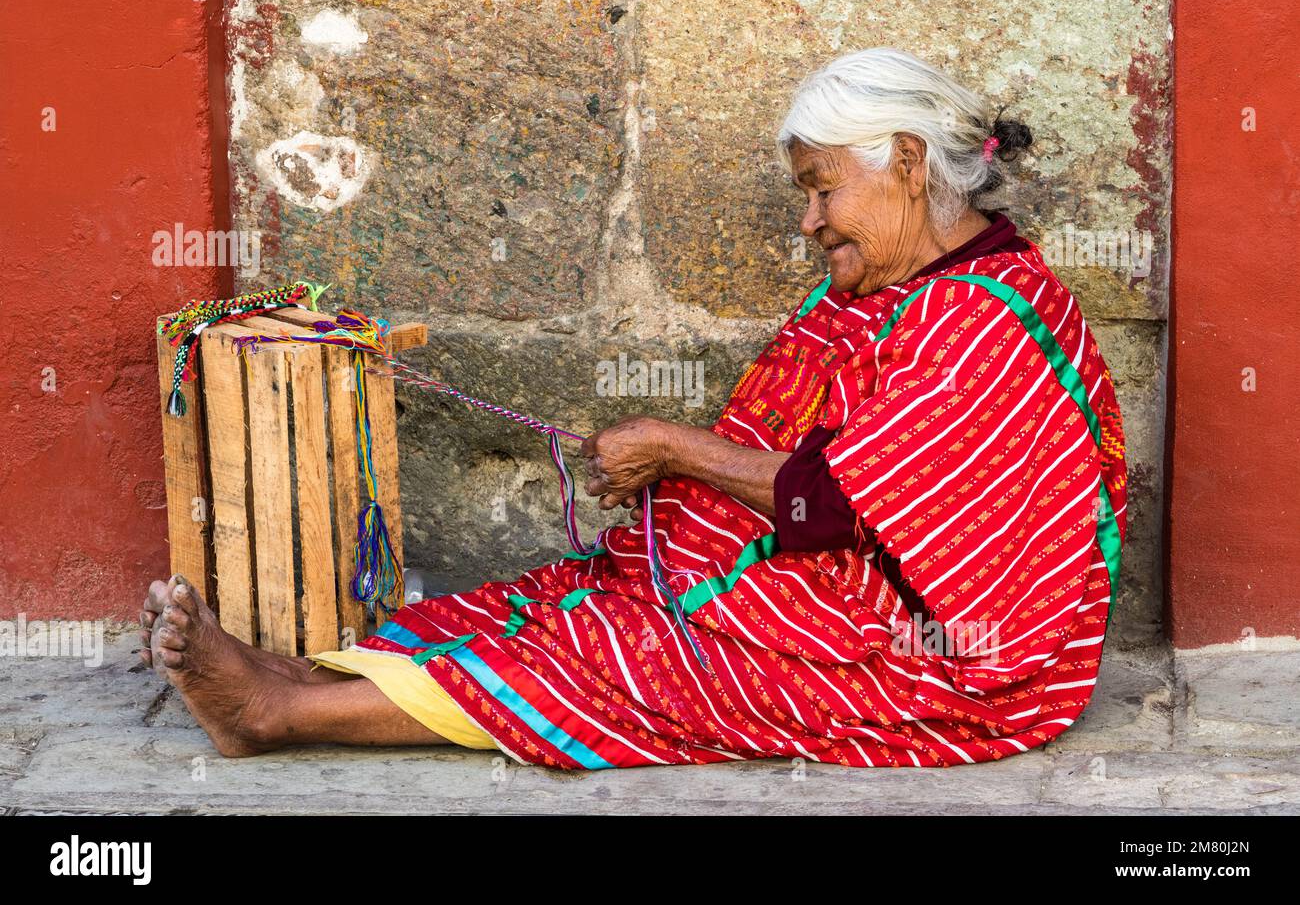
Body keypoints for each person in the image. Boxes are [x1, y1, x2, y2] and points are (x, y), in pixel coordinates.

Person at [140, 47, 1126, 768]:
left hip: (955, 666)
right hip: (860, 594)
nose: (809, 219)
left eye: (822, 189)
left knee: (628, 653)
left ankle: (278, 714)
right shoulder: (904, 287)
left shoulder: (983, 322)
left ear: (908, 162)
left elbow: (836, 504)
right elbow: (819, 457)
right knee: (563, 596)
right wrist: (680, 478)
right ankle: (311, 677)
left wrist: (671, 449)